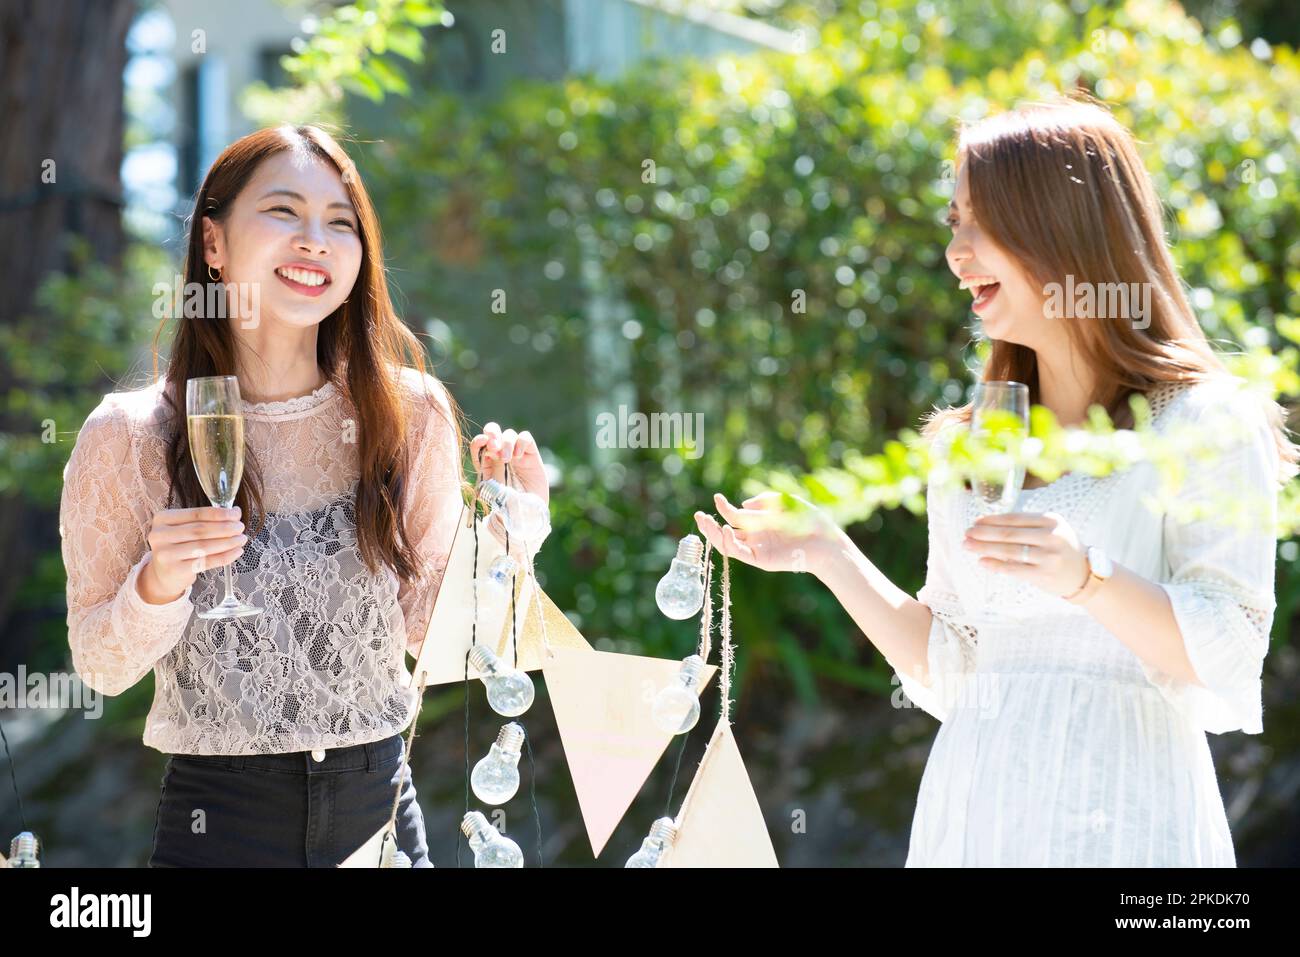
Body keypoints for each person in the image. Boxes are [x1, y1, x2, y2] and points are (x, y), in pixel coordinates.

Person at [695, 96, 1298, 866]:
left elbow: (1230, 653)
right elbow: (955, 669)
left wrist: (1089, 578)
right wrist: (828, 552)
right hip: (974, 822)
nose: (956, 250)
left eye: (980, 222)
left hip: (1132, 825)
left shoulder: (1206, 423)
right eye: (953, 222)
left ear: (1062, 229)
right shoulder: (969, 447)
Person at [58, 124, 550, 867]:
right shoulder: (130, 434)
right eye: (283, 211)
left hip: (381, 811)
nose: (315, 239)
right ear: (213, 245)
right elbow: (100, 665)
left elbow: (443, 638)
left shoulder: (407, 413)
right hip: (219, 823)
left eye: (341, 222)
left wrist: (517, 529)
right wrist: (158, 583)